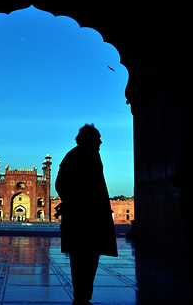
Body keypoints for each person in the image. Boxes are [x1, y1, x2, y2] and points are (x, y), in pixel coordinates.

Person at [55, 124, 117, 305]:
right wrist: (75, 201)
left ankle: (82, 298)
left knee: (87, 258)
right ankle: (81, 298)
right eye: (97, 138)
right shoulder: (75, 156)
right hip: (81, 217)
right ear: (87, 139)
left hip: (89, 215)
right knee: (83, 258)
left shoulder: (88, 155)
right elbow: (61, 185)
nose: (100, 142)